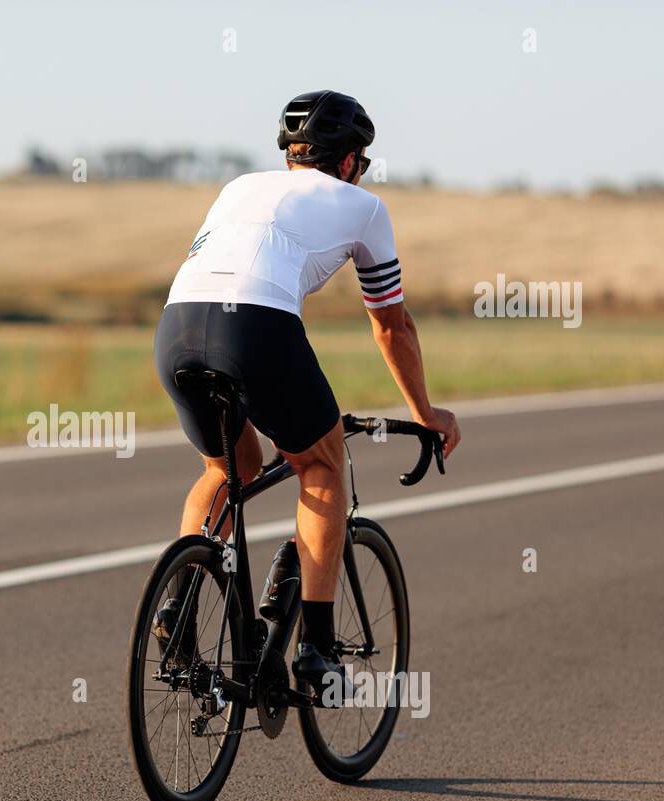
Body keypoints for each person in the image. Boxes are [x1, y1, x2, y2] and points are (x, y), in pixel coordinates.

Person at [153, 90, 460, 688]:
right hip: (257, 327)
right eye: (362, 162)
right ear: (348, 161)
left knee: (227, 468)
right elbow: (391, 324)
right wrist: (426, 415)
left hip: (177, 326)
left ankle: (178, 611)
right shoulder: (363, 206)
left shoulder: (237, 186)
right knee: (321, 464)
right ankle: (316, 651)